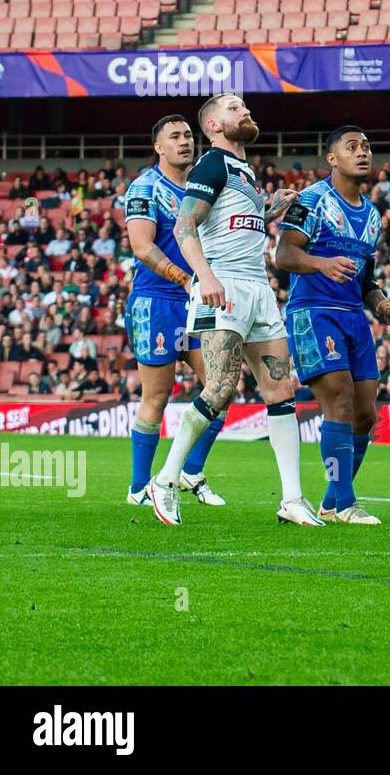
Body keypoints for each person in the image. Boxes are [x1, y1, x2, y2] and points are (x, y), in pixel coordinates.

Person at [147, 94, 319, 527]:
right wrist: (205, 277)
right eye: (233, 108)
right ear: (215, 126)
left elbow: (230, 222)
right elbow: (184, 226)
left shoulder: (243, 170)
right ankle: (166, 480)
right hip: (222, 286)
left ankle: (293, 499)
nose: (244, 111)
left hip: (257, 289)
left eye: (244, 105)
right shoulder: (211, 165)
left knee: (281, 391)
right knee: (220, 388)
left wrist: (267, 210)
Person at [275, 126, 390, 525]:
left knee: (366, 414)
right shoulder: (312, 200)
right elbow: (284, 254)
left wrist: (383, 305)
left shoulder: (371, 215)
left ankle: (333, 501)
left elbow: (366, 280)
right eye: (352, 147)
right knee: (338, 403)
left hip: (354, 316)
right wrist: (322, 263)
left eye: (367, 146)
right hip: (314, 312)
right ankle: (347, 504)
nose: (363, 152)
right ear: (332, 158)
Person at [123, 115, 228, 509]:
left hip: (200, 301)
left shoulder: (204, 188)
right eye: (175, 137)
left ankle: (190, 472)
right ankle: (138, 488)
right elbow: (141, 245)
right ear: (159, 148)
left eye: (188, 135)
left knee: (221, 387)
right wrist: (184, 277)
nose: (185, 141)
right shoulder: (146, 187)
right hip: (158, 301)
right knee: (158, 395)